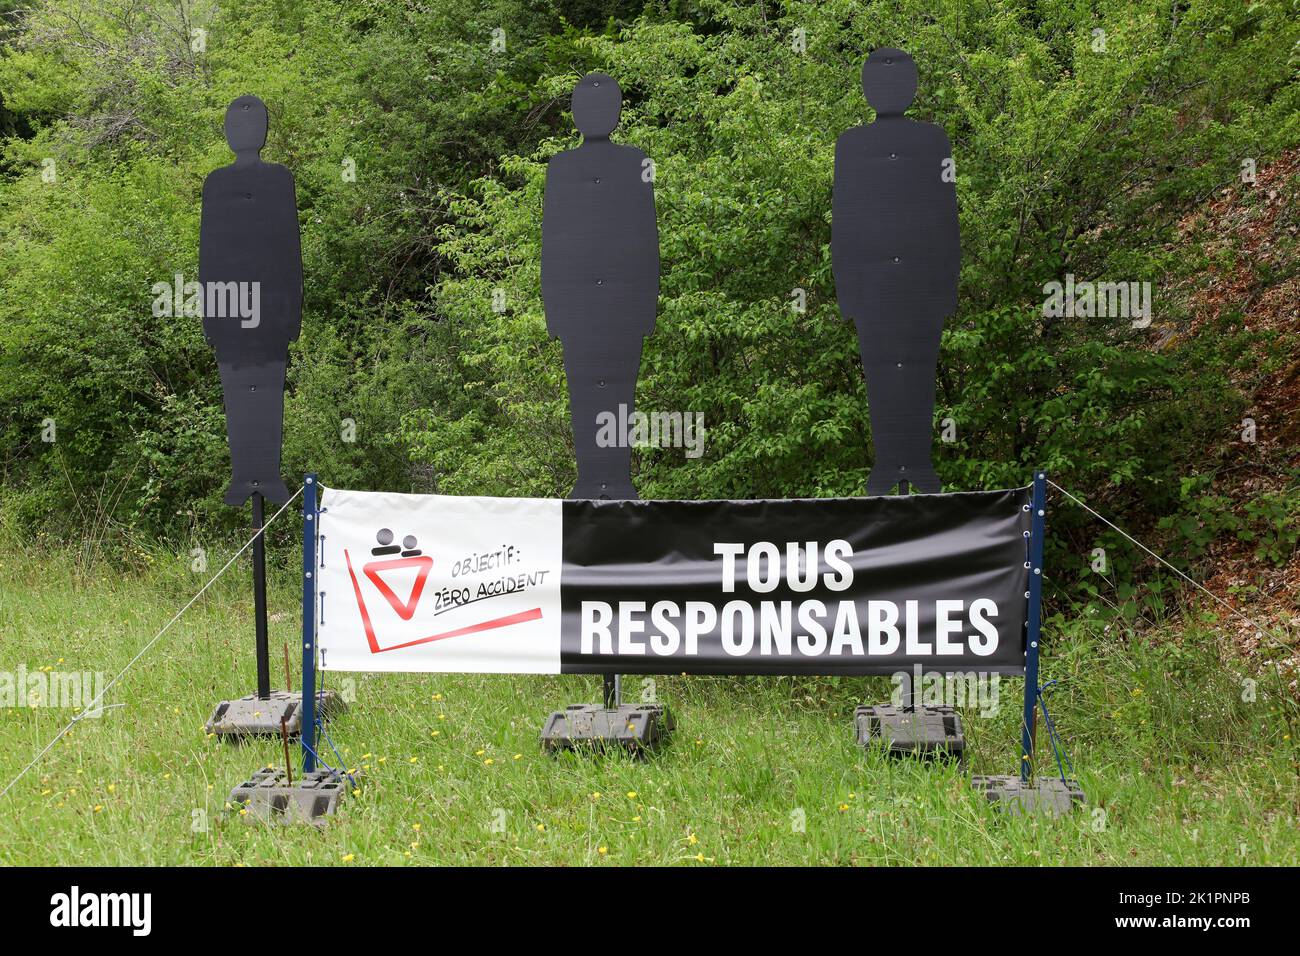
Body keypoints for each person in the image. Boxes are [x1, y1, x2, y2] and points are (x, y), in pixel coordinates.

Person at [832, 49, 959, 495]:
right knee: (881, 370)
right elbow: (843, 218)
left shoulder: (933, 140)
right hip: (873, 286)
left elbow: (947, 216)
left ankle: (918, 462)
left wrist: (946, 287)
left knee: (920, 369)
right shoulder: (851, 144)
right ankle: (888, 463)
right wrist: (848, 290)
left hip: (921, 283)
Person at [542, 73, 659, 500]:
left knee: (621, 390)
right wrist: (554, 310)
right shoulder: (561, 168)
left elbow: (647, 237)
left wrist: (646, 305)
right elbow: (551, 241)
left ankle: (619, 477)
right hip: (578, 308)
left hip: (624, 306)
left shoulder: (636, 162)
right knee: (583, 390)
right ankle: (590, 476)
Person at [199, 94, 301, 505]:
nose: (242, 131)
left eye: (250, 124)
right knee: (236, 390)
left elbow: (289, 250)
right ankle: (244, 477)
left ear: (262, 131)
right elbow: (209, 253)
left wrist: (291, 311)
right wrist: (211, 314)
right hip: (229, 309)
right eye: (235, 124)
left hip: (273, 310)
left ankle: (268, 477)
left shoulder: (279, 179)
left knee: (269, 384)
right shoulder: (216, 184)